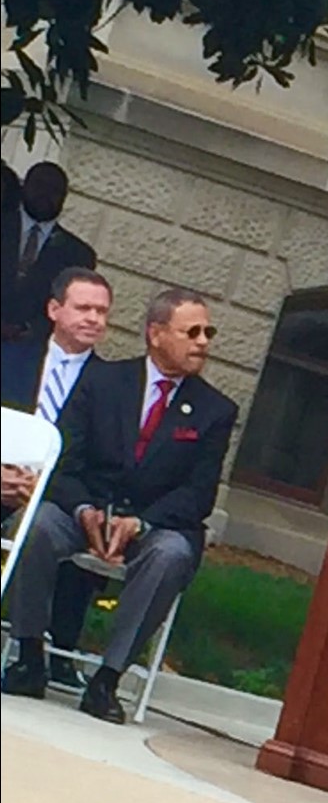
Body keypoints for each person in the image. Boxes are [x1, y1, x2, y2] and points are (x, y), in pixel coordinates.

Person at [0, 288, 238, 724]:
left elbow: (198, 493)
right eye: (192, 332)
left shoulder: (215, 410)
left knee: (171, 555)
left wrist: (141, 524)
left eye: (209, 333)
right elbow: (64, 461)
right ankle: (29, 656)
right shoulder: (102, 381)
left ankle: (107, 679)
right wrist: (83, 510)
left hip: (155, 524)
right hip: (86, 509)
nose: (203, 342)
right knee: (38, 525)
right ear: (156, 334)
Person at [1, 267, 117, 689]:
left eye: (102, 311)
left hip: (61, 499)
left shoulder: (114, 386)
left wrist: (43, 487)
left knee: (50, 525)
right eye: (83, 308)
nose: (94, 319)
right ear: (54, 309)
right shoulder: (10, 359)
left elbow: (104, 462)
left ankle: (41, 651)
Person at [1, 161, 98, 342]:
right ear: (25, 186)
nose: (45, 194)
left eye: (54, 190)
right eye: (39, 185)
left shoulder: (78, 255)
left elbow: (70, 308)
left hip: (30, 349)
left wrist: (26, 330)